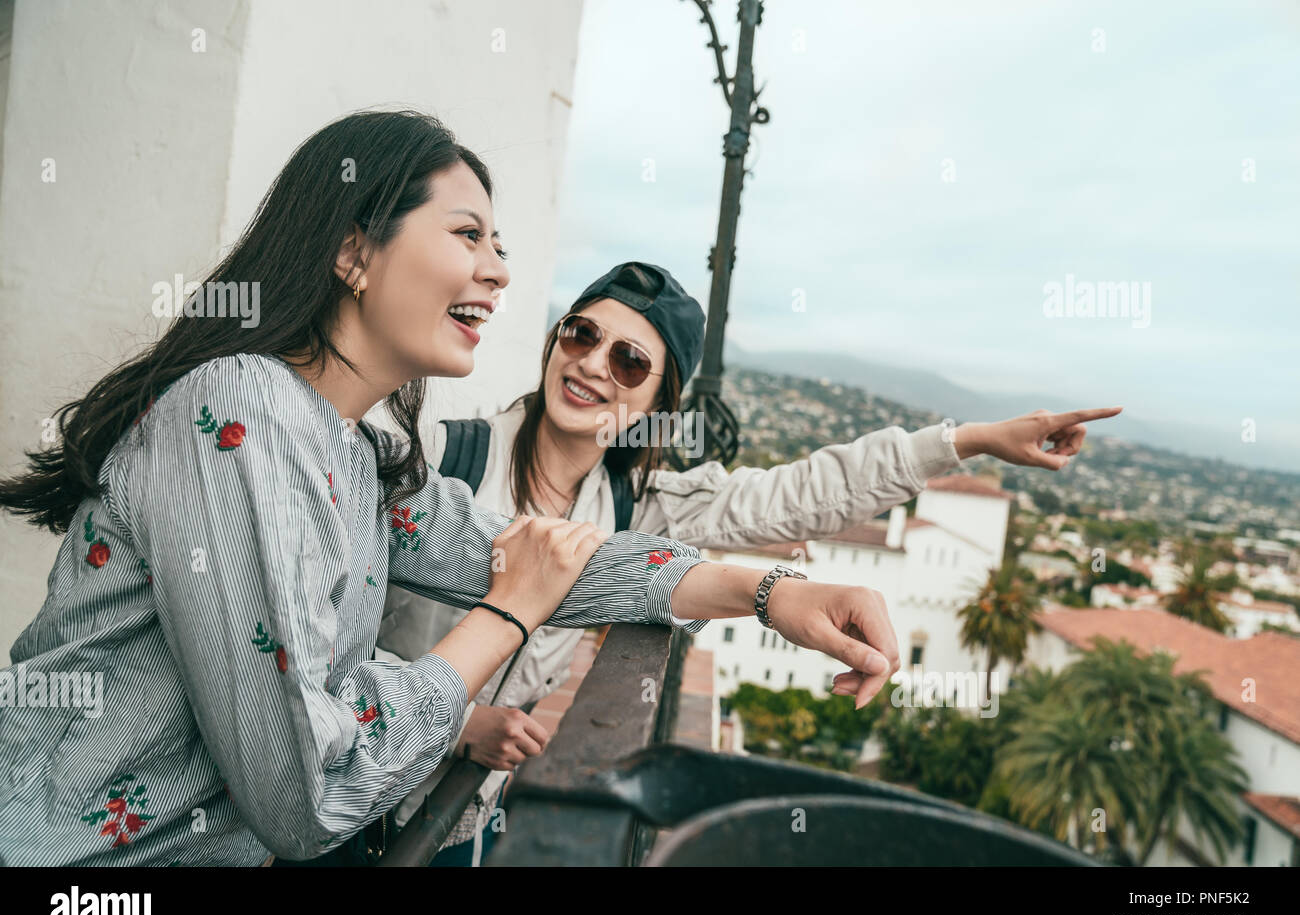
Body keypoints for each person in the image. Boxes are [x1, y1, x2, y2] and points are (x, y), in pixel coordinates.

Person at [0, 111, 906, 867]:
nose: (501, 272)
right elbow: (304, 791)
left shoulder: (360, 448)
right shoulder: (241, 413)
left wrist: (771, 591)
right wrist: (506, 619)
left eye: (500, 246)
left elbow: (540, 559)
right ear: (354, 252)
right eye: (468, 235)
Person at [377, 260, 1123, 864]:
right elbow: (327, 637)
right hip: (356, 797)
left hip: (459, 828)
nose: (592, 364)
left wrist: (973, 441)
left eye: (629, 360)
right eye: (580, 333)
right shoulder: (442, 457)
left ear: (654, 402)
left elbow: (800, 494)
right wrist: (462, 723)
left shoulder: (643, 506)